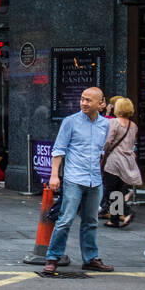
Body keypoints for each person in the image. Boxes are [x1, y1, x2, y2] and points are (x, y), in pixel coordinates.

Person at [41, 87, 113, 277]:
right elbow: (59, 150)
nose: (84, 103)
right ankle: (53, 258)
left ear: (100, 103)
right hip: (74, 178)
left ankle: (90, 259)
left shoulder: (105, 125)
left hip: (95, 180)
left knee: (91, 221)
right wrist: (54, 175)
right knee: (65, 219)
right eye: (82, 99)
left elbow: (102, 151)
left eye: (89, 100)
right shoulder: (70, 122)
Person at [101, 97, 142, 227]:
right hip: (127, 160)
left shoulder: (114, 123)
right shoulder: (133, 125)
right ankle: (114, 219)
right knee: (118, 189)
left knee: (110, 190)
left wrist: (103, 151)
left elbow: (108, 141)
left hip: (114, 160)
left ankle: (127, 211)